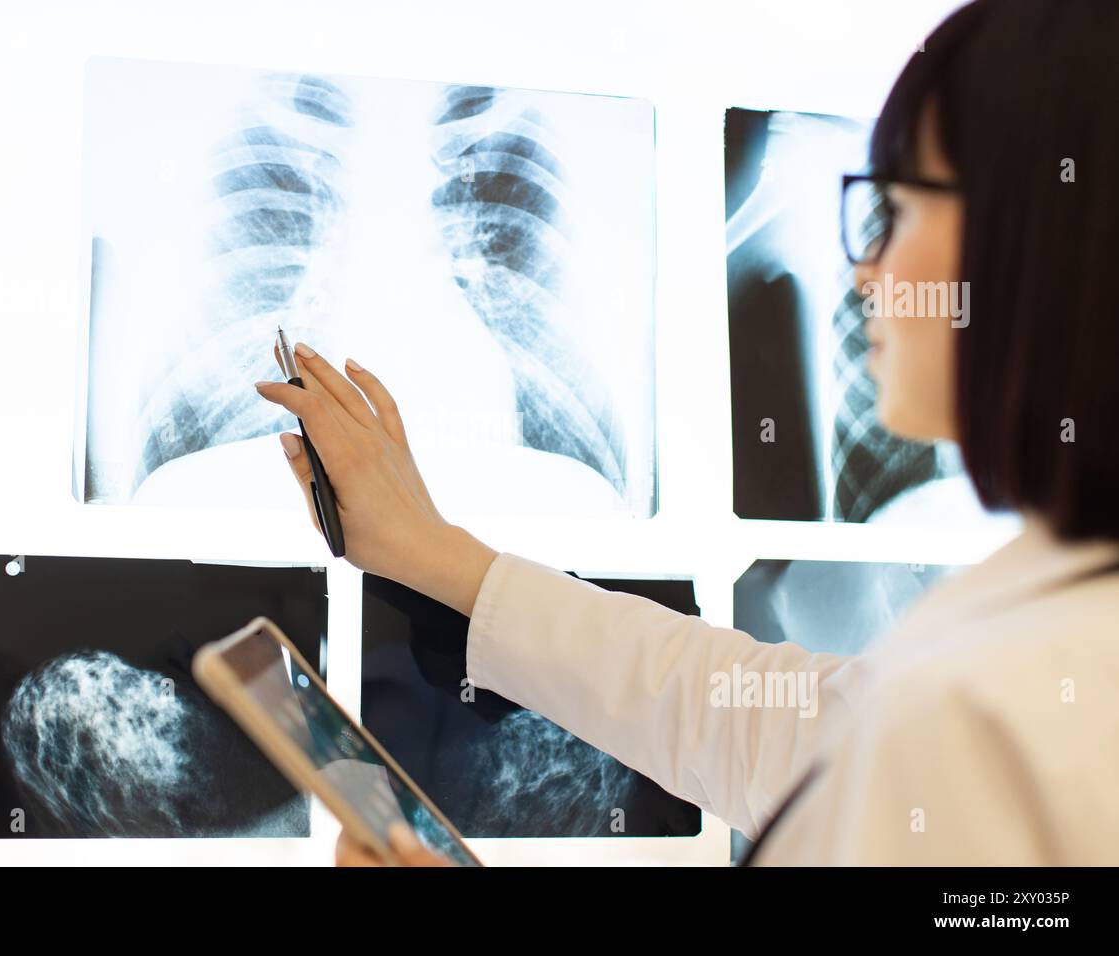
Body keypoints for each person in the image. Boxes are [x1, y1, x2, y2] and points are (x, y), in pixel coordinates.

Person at [253, 0, 1119, 866]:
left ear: (1042, 227)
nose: (866, 268)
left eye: (897, 204)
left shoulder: (1046, 698)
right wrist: (436, 556)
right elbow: (767, 728)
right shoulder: (1043, 647)